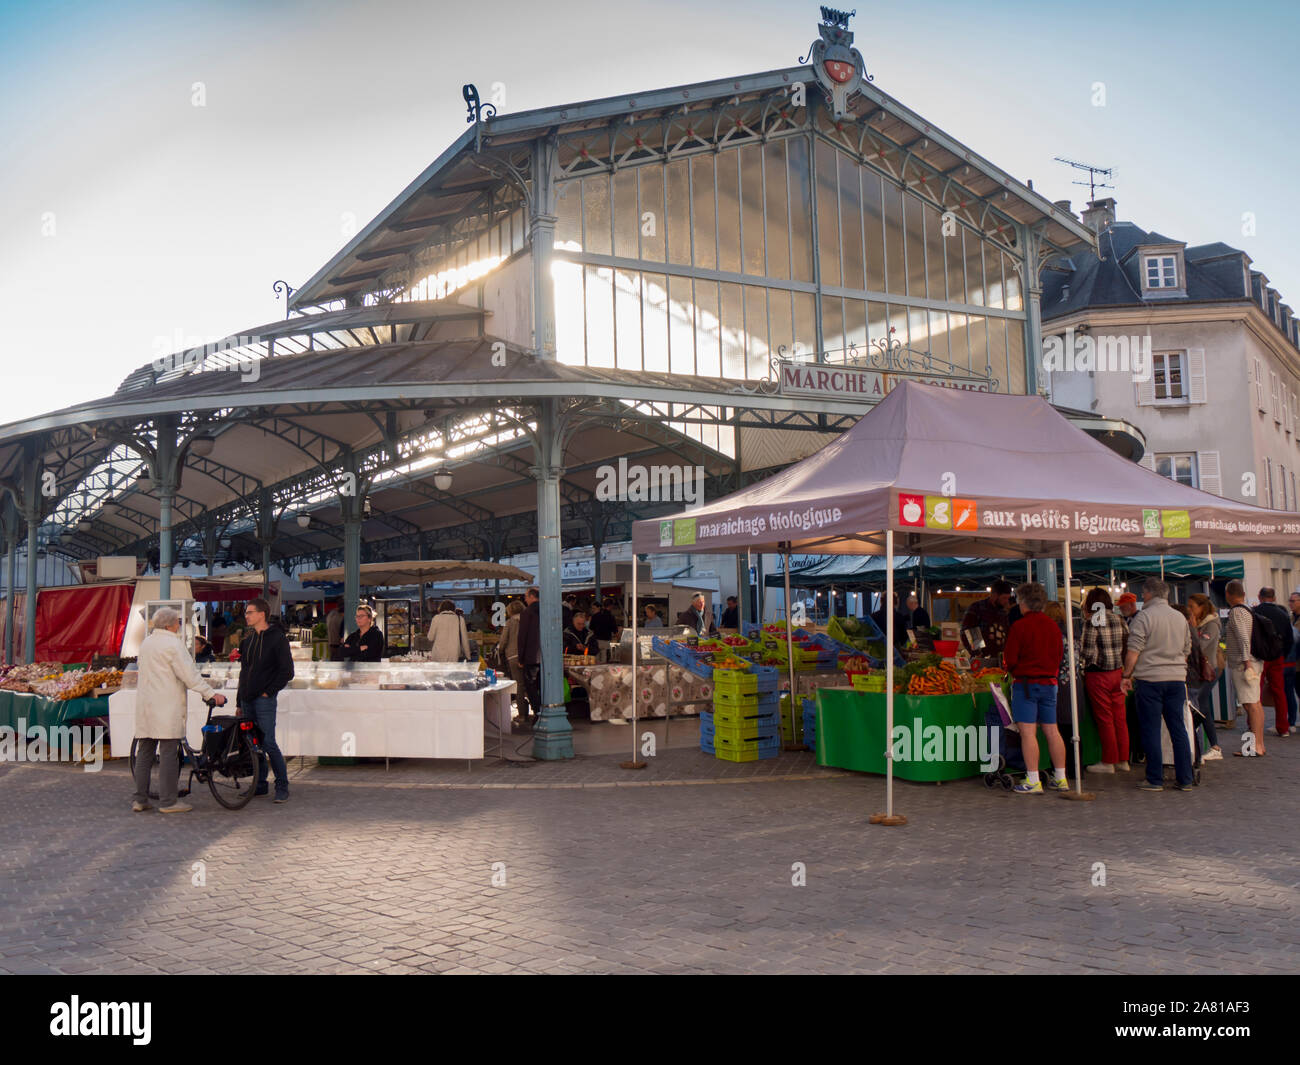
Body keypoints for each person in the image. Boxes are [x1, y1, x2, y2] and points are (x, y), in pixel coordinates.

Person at [133, 607, 227, 813]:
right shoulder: (173, 644)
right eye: (177, 621)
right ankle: (168, 802)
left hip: (146, 705)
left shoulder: (147, 643)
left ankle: (140, 799)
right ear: (169, 625)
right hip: (166, 705)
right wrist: (210, 694)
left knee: (145, 752)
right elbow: (189, 675)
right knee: (168, 753)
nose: (179, 624)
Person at [1121, 578, 1193, 792]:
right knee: (1178, 728)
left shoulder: (1144, 617)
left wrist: (1126, 675)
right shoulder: (1180, 617)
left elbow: (1134, 650)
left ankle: (1155, 779)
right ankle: (1185, 778)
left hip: (1150, 679)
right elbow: (1187, 648)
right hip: (1177, 679)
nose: (1142, 597)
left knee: (1150, 729)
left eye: (1143, 593)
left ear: (1149, 594)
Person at [1003, 582, 1068, 794]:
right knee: (1052, 730)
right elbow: (1059, 655)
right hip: (1050, 684)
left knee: (1028, 733)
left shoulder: (1020, 627)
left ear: (1024, 603)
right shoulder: (1053, 626)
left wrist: (1012, 668)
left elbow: (1010, 659)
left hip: (1026, 685)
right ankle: (1061, 778)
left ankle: (1033, 780)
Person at [236, 598, 294, 803]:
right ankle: (260, 784)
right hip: (247, 699)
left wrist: (268, 692)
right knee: (253, 744)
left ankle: (282, 785)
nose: (247, 615)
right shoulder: (248, 640)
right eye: (246, 612)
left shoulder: (277, 638)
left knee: (268, 742)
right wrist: (239, 701)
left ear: (262, 614)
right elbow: (243, 672)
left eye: (250, 612)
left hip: (263, 700)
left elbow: (287, 671)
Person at [1080, 587, 1129, 774]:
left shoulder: (1091, 621)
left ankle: (1108, 761)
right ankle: (1123, 760)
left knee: (1105, 718)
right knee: (1120, 717)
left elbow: (1087, 651)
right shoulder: (1119, 619)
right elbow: (1127, 643)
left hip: (1097, 674)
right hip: (1118, 672)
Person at [1224, 580, 1266, 755]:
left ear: (1228, 594)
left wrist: (1246, 661)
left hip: (1244, 664)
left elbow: (1242, 637)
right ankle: (1259, 745)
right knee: (1255, 703)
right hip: (1251, 661)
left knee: (1251, 705)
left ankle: (1255, 746)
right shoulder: (1248, 609)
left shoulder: (1236, 612)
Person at [1186, 593, 1223, 761]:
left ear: (1202, 607)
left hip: (1210, 670)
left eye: (1192, 607)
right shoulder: (1203, 623)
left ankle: (1205, 746)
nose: (1189, 610)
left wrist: (1192, 628)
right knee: (1203, 706)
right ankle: (1213, 745)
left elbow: (1200, 645)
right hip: (1201, 670)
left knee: (1199, 706)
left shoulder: (1211, 625)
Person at [1255, 587, 1293, 738]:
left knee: (1255, 693)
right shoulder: (1282, 614)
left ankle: (1254, 726)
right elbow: (1289, 638)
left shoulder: (1255, 612)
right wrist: (1283, 653)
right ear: (1274, 597)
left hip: (1260, 657)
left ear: (1260, 597)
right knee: (1279, 691)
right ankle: (1283, 727)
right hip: (1278, 656)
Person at [961, 580, 1013, 662]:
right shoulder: (977, 608)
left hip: (1000, 659)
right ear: (994, 595)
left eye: (1008, 598)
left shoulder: (1003, 612)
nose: (1006, 601)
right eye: (1004, 598)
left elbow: (1007, 634)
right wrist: (978, 653)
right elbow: (969, 630)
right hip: (982, 660)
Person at [501, 600, 532, 727]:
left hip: (514, 656)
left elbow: (503, 641)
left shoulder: (510, 622)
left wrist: (501, 650)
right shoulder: (529, 621)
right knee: (530, 684)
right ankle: (535, 710)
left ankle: (522, 715)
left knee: (519, 685)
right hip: (529, 657)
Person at [517, 586, 543, 720]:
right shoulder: (547, 610)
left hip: (531, 657)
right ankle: (544, 712)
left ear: (532, 596)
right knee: (543, 687)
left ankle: (538, 714)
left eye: (526, 597)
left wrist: (521, 658)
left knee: (531, 688)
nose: (525, 599)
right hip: (545, 657)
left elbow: (522, 637)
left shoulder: (527, 613)